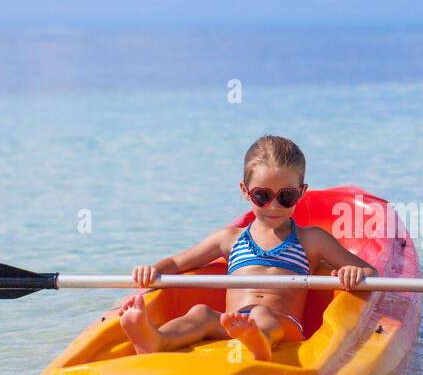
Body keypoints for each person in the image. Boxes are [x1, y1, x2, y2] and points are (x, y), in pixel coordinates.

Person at [117, 135, 376, 361]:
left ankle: (259, 341)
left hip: (284, 329)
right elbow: (178, 263)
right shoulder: (229, 239)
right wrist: (151, 271)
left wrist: (354, 273)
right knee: (201, 313)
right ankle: (157, 340)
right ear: (245, 191)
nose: (274, 206)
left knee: (262, 314)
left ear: (301, 192)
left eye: (286, 197)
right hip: (234, 323)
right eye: (263, 195)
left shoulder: (311, 239)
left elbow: (371, 273)